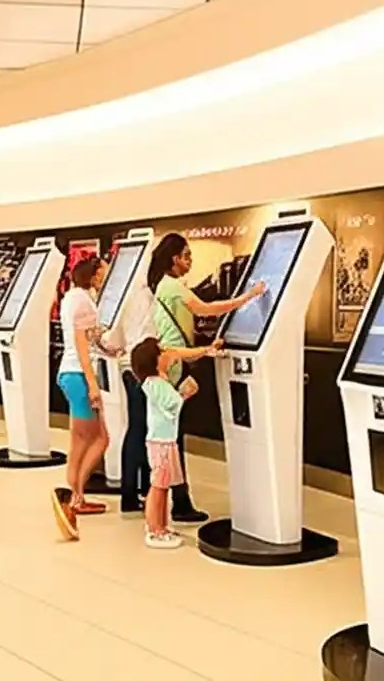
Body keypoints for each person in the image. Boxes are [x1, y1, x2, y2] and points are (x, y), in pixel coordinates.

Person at [143, 232, 265, 523]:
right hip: (176, 368)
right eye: (187, 256)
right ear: (175, 259)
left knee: (172, 438)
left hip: (175, 362)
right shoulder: (172, 287)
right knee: (172, 439)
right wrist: (248, 298)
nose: (190, 261)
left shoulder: (163, 286)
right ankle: (179, 502)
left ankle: (178, 499)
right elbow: (207, 309)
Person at [113, 274, 224, 515]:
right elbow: (171, 403)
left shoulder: (122, 293)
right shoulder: (153, 297)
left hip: (129, 365)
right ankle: (166, 514)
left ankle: (131, 494)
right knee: (159, 479)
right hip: (143, 371)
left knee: (136, 431)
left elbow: (112, 339)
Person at [50, 256, 110, 540]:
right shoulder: (84, 302)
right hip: (78, 376)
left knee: (79, 438)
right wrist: (92, 383)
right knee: (99, 438)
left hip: (69, 374)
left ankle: (75, 493)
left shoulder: (71, 297)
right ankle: (75, 496)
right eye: (103, 271)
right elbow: (82, 345)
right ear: (95, 274)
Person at [131, 338, 201, 549]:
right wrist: (185, 392)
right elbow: (172, 403)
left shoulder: (154, 383)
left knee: (163, 485)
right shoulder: (157, 384)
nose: (167, 354)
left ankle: (161, 525)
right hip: (161, 442)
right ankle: (154, 528)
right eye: (161, 351)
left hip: (164, 440)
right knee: (158, 486)